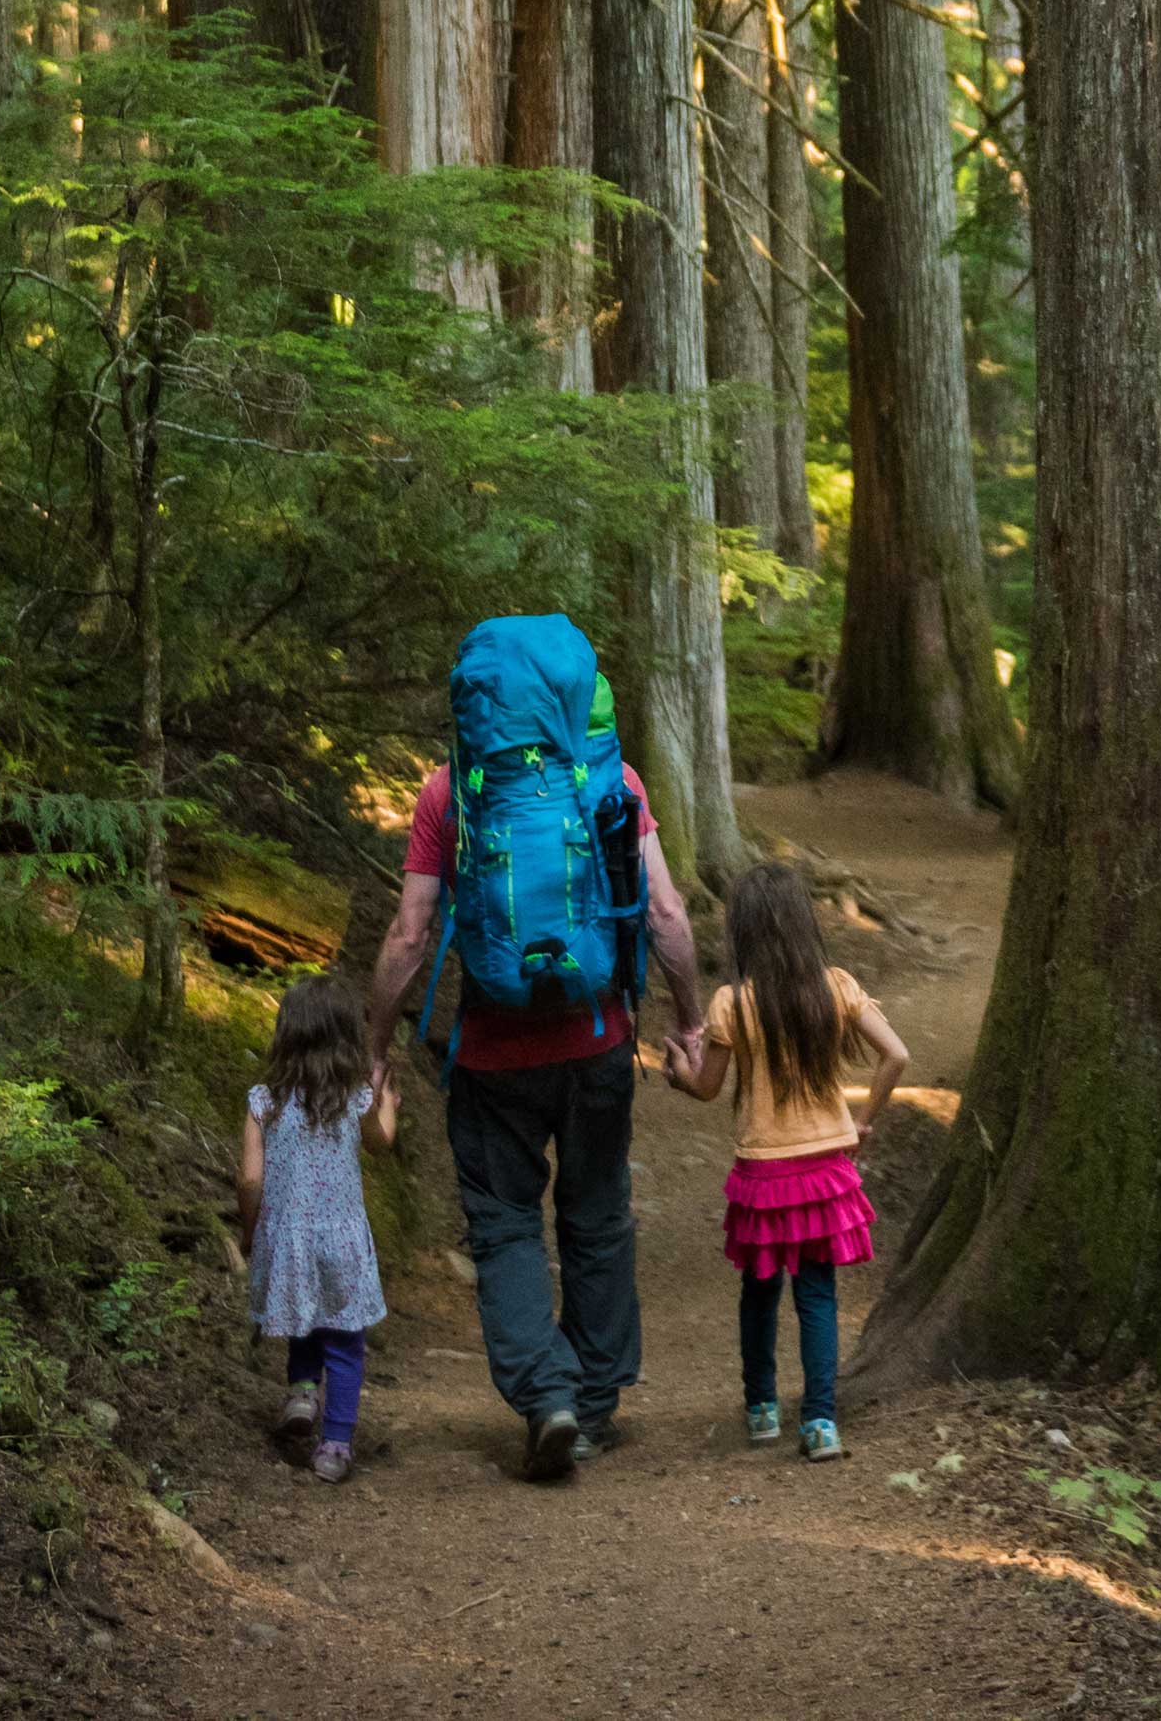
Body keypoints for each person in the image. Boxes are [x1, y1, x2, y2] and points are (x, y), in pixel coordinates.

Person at [365, 613, 701, 1485]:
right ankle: (593, 1402)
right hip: (597, 1041)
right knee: (597, 1215)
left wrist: (375, 1044)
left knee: (505, 1224)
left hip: (491, 1055)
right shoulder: (613, 777)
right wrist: (690, 1018)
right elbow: (666, 913)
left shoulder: (450, 792)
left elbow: (409, 934)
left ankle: (545, 1399)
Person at [659, 861, 910, 1461]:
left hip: (763, 1173)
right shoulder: (836, 987)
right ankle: (820, 1422)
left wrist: (679, 1072)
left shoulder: (732, 1004)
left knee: (760, 1290)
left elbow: (708, 1088)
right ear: (802, 923)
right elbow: (896, 1054)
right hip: (825, 1170)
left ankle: (762, 1410)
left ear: (743, 930)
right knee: (818, 1295)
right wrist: (860, 1121)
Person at [238, 980, 397, 1484]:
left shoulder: (264, 1101)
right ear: (348, 1038)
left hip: (288, 1238)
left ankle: (303, 1394)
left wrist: (250, 1232)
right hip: (342, 1241)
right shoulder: (355, 1099)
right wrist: (388, 1103)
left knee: (303, 1318)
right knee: (345, 1341)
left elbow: (250, 1179)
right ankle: (335, 1445)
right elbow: (381, 1142)